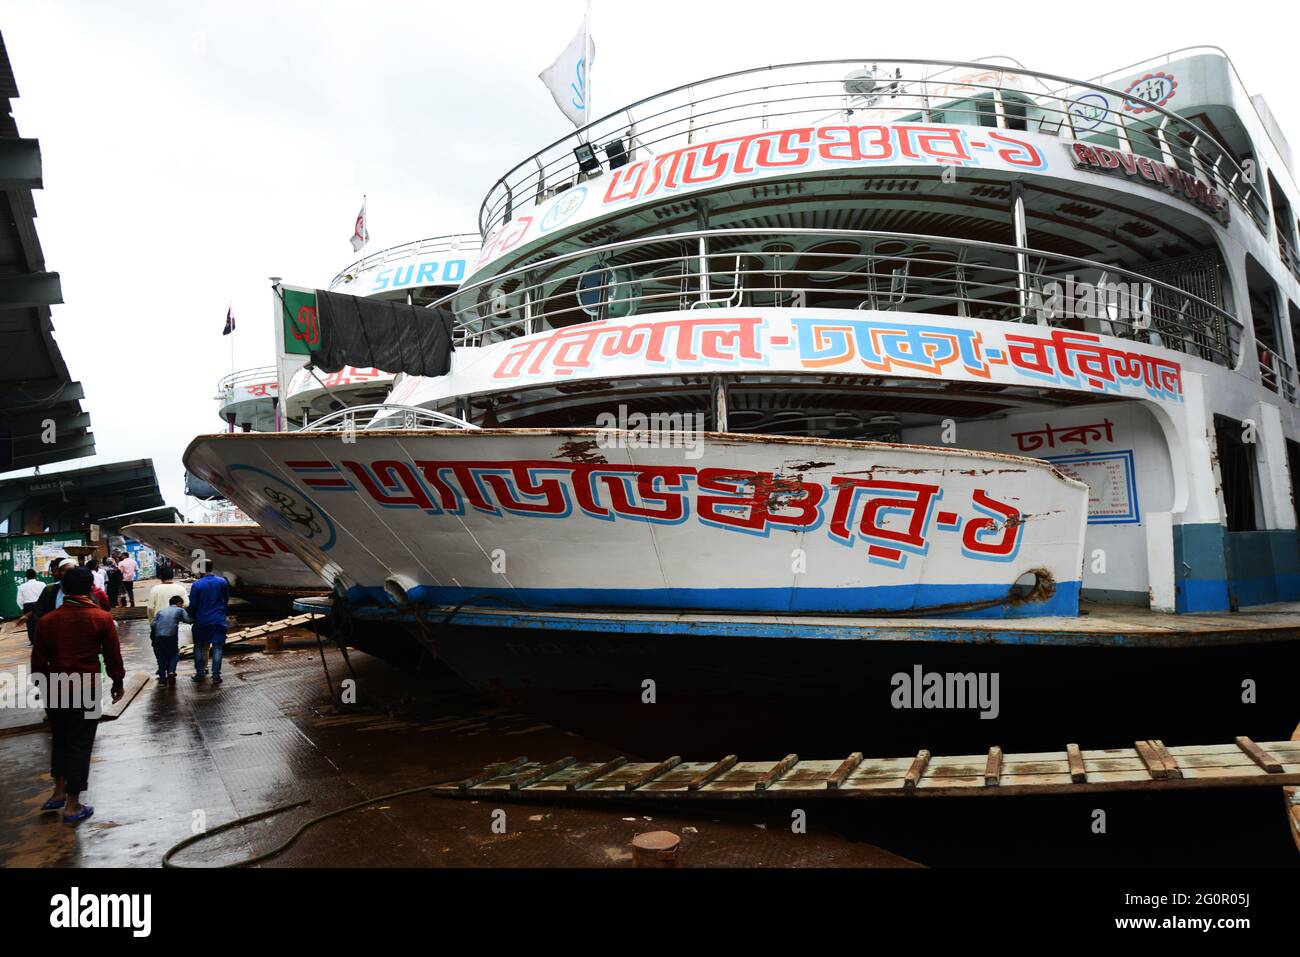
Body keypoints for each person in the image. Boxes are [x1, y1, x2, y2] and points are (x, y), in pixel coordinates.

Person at [30, 566, 124, 825]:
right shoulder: (101, 618)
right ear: (91, 589)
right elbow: (112, 655)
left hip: (55, 686)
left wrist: (41, 686)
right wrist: (118, 681)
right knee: (80, 742)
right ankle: (73, 805)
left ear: (63, 589)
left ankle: (58, 792)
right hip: (87, 687)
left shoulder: (48, 621)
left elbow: (38, 660)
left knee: (59, 738)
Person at [188, 560, 230, 684]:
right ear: (212, 568)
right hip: (218, 619)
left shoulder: (197, 585)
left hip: (202, 621)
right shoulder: (222, 582)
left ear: (201, 570)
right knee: (217, 647)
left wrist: (190, 616)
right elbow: (226, 599)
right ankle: (216, 675)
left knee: (199, 647)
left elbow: (193, 604)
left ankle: (200, 673)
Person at [150, 595, 191, 681]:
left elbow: (153, 624)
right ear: (179, 603)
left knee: (161, 656)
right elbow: (188, 620)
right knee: (174, 653)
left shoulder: (161, 611)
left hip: (158, 636)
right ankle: (171, 671)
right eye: (182, 604)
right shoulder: (180, 610)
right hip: (171, 635)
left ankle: (162, 678)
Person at [16, 569, 45, 644]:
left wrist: (23, 609)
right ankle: (42, 640)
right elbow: (45, 595)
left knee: (30, 625)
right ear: (35, 575)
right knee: (41, 622)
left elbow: (19, 600)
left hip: (28, 606)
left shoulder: (22, 586)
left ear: (26, 576)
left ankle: (32, 641)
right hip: (39, 605)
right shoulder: (42, 584)